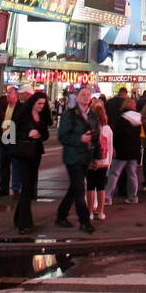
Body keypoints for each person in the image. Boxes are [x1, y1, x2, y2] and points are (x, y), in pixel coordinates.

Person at [55, 87, 98, 233]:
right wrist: (80, 138)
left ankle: (61, 215)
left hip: (86, 157)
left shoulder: (92, 115)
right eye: (83, 95)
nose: (86, 97)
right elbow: (62, 136)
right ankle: (84, 221)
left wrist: (96, 156)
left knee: (74, 188)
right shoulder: (70, 115)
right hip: (73, 157)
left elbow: (96, 136)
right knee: (79, 189)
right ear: (77, 97)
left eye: (88, 95)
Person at [10, 92, 51, 234]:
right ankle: (24, 223)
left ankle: (19, 217)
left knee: (29, 186)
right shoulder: (23, 114)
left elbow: (45, 134)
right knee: (27, 187)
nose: (41, 106)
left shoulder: (43, 116)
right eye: (39, 103)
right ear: (33, 102)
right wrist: (27, 134)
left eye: (43, 104)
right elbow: (11, 132)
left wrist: (39, 135)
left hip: (35, 153)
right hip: (23, 152)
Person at [106, 95, 143, 204]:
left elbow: (116, 135)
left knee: (114, 174)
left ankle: (107, 197)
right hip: (134, 151)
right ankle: (133, 197)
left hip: (121, 151)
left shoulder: (121, 119)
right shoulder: (139, 118)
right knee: (132, 174)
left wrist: (114, 148)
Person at [87, 99, 113, 221]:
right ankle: (101, 212)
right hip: (103, 161)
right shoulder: (107, 129)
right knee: (101, 187)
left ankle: (90, 212)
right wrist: (109, 163)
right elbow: (110, 147)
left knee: (90, 187)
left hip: (90, 161)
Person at [0, 85, 21, 197]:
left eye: (10, 93)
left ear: (16, 95)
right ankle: (3, 188)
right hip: (4, 136)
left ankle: (15, 188)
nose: (8, 95)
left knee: (15, 164)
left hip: (14, 138)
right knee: (3, 164)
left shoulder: (20, 107)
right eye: (7, 93)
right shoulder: (4, 106)